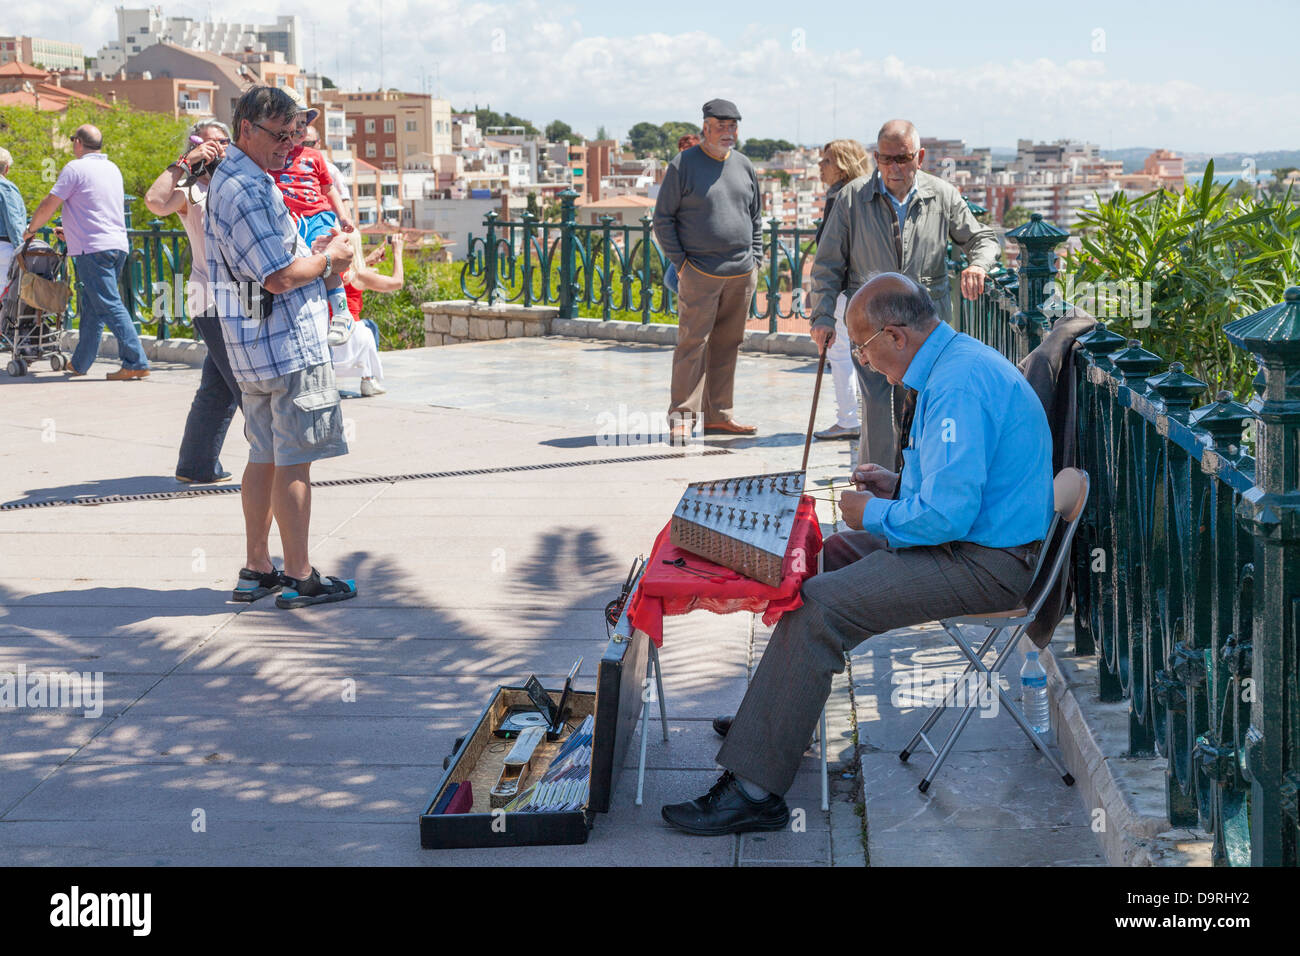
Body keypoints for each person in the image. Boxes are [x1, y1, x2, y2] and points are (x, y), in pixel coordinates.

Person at [661, 273, 1053, 835]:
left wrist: (871, 512)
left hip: (988, 565)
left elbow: (948, 517)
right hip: (978, 542)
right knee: (830, 554)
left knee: (820, 605)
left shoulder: (956, 385)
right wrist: (895, 486)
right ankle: (773, 725)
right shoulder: (953, 364)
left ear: (894, 335)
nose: (865, 363)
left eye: (864, 348)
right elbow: (961, 486)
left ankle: (753, 792)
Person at [205, 85, 358, 609]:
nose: (290, 146)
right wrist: (330, 258)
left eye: (295, 135)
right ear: (245, 128)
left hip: (255, 345)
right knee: (294, 460)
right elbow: (279, 276)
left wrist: (307, 254)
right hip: (287, 344)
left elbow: (271, 262)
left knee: (265, 455)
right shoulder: (248, 188)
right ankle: (298, 574)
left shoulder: (237, 176)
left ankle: (258, 565)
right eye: (279, 135)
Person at [809, 119, 998, 468]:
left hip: (926, 329)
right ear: (875, 157)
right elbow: (828, 264)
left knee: (926, 409)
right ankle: (874, 497)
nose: (894, 167)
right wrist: (821, 316)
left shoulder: (941, 194)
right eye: (885, 159)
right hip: (871, 328)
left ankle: (922, 492)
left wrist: (979, 265)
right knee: (878, 412)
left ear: (919, 156)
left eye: (903, 158)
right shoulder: (853, 198)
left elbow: (981, 238)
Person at [653, 98, 762, 443]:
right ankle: (682, 416)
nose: (728, 133)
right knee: (693, 344)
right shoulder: (683, 165)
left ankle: (718, 416)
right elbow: (663, 219)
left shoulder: (744, 165)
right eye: (721, 126)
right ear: (706, 126)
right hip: (699, 270)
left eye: (733, 127)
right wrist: (682, 264)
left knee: (728, 344)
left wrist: (756, 257)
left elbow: (755, 216)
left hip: (741, 271)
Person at [145, 119, 239, 483]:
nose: (219, 148)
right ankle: (275, 458)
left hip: (239, 296)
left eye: (225, 142)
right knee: (246, 383)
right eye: (211, 143)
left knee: (218, 386)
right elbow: (154, 202)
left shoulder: (234, 184)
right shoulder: (190, 188)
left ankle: (195, 466)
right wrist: (185, 162)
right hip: (210, 298)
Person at [23, 125, 151, 380]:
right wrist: (70, 231)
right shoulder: (112, 168)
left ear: (78, 142)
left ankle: (136, 361)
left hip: (92, 250)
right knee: (94, 306)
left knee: (109, 304)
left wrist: (31, 229)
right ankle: (80, 363)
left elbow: (50, 202)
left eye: (73, 140)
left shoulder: (75, 168)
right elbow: (95, 209)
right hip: (116, 246)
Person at [273, 93, 355, 347]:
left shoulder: (314, 156)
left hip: (317, 214)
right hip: (290, 220)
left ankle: (341, 312)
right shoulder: (273, 157)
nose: (299, 129)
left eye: (303, 124)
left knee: (327, 256)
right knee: (303, 263)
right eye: (293, 123)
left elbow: (328, 189)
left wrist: (343, 216)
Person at [811, 139, 872, 441]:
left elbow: (832, 248)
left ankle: (848, 418)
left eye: (826, 161)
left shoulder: (841, 198)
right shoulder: (863, 194)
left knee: (838, 351)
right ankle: (857, 417)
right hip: (861, 284)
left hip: (845, 287)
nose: (820, 167)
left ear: (843, 164)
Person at [330, 230, 405, 397]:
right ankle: (368, 379)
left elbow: (347, 271)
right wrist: (397, 253)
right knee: (371, 326)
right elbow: (397, 282)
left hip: (328, 337)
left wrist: (367, 261)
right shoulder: (360, 275)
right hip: (349, 338)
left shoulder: (326, 271)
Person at [662, 132, 701, 297]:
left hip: (697, 242)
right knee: (672, 280)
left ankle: (703, 302)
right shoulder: (679, 174)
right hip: (684, 242)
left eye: (688, 150)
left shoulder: (700, 175)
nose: (684, 155)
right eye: (682, 151)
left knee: (672, 280)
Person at [0, 146, 28, 292]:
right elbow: (13, 223)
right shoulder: (5, 188)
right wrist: (22, 253)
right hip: (4, 248)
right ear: (7, 168)